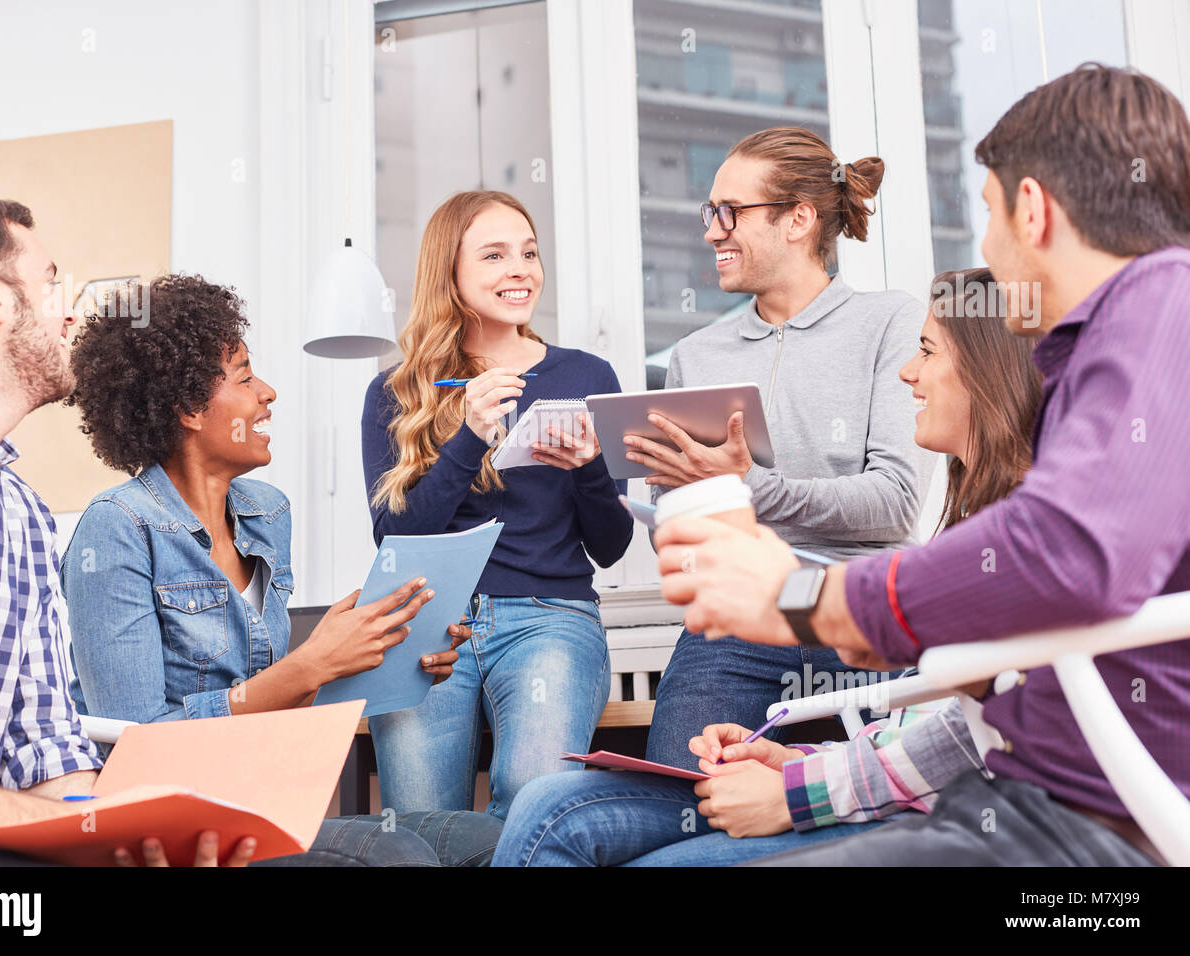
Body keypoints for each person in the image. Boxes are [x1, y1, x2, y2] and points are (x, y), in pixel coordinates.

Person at [656, 63, 1190, 867]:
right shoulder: (1109, 346)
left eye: (987, 215)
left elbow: (1067, 555)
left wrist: (801, 597)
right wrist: (810, 765)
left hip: (1077, 835)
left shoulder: (1162, 312)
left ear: (1033, 210)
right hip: (1022, 801)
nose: (987, 249)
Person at [492, 268, 1042, 865]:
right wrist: (794, 763)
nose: (908, 372)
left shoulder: (1029, 530)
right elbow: (941, 725)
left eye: (928, 350)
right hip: (887, 784)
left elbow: (974, 741)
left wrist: (796, 792)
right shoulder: (976, 526)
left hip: (944, 821)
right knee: (549, 803)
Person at [63, 273, 503, 866]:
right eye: (245, 376)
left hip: (266, 801)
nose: (267, 393)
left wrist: (385, 651)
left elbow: (280, 703)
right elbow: (141, 742)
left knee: (494, 840)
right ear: (189, 408)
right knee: (396, 853)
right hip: (180, 831)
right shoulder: (117, 528)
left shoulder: (266, 513)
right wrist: (311, 663)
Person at [0, 183, 246, 866]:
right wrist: (43, 827)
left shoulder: (19, 513)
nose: (71, 311)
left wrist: (118, 839)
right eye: (51, 283)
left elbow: (45, 749)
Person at [627, 128, 937, 770]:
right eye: (709, 213)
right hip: (736, 623)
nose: (712, 232)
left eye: (730, 213)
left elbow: (895, 504)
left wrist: (746, 488)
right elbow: (672, 532)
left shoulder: (891, 323)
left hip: (856, 611)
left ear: (798, 219)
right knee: (682, 790)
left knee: (867, 811)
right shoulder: (695, 355)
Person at [361, 190, 634, 819]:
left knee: (532, 804)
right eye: (494, 255)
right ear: (450, 275)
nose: (521, 270)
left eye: (529, 253)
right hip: (425, 622)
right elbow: (395, 538)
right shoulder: (396, 391)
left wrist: (589, 467)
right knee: (423, 830)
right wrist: (468, 437)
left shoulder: (586, 376)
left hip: (550, 618)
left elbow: (612, 547)